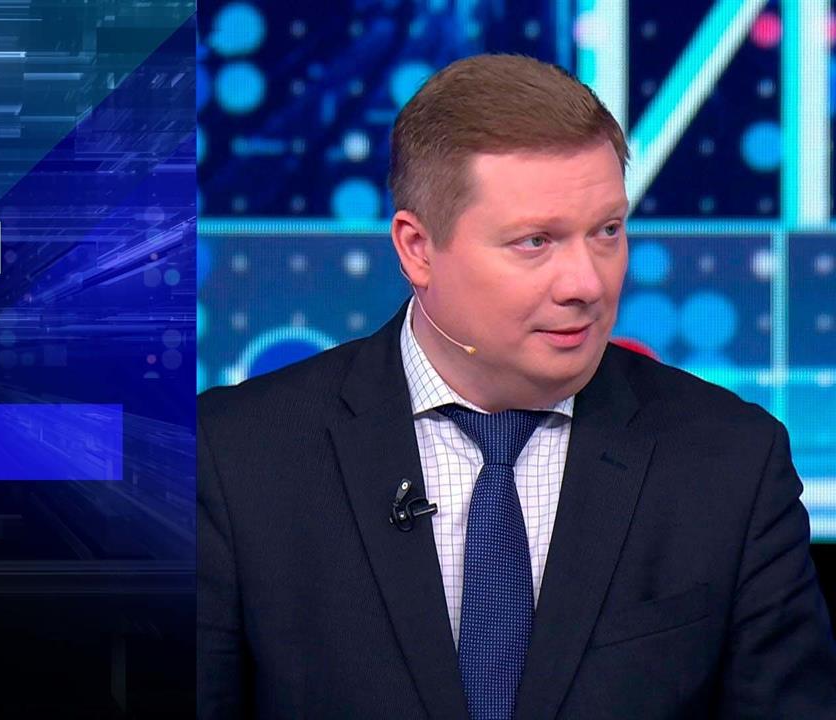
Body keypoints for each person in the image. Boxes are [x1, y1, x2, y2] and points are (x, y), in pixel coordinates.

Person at [197, 54, 836, 719]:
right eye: (536, 242)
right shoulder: (234, 459)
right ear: (417, 248)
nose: (586, 283)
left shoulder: (732, 462)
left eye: (607, 231)